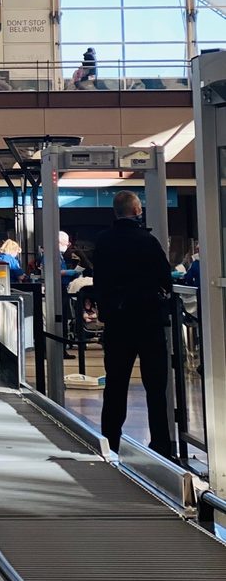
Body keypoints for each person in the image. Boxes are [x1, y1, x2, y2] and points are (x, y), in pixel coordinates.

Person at [92, 190, 173, 457]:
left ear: (115, 212)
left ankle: (110, 441)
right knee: (155, 386)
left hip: (117, 323)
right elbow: (165, 278)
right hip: (149, 321)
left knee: (116, 384)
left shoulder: (103, 241)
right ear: (137, 211)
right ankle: (160, 443)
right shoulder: (147, 241)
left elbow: (99, 281)